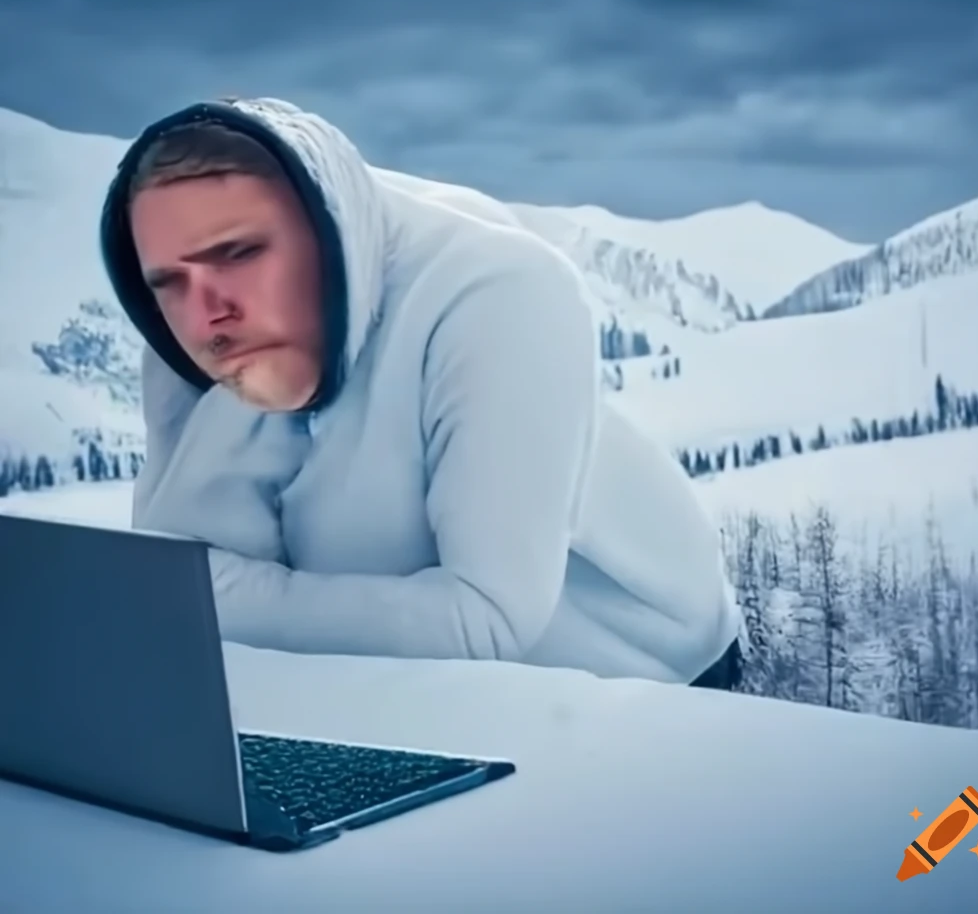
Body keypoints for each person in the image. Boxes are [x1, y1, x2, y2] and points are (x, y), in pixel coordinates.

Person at [99, 96, 743, 687]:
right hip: (386, 684)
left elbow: (486, 619)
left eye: (238, 252)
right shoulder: (199, 328)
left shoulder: (497, 293)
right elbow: (179, 577)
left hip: (639, 678)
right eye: (168, 282)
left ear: (325, 229)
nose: (204, 311)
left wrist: (222, 600)